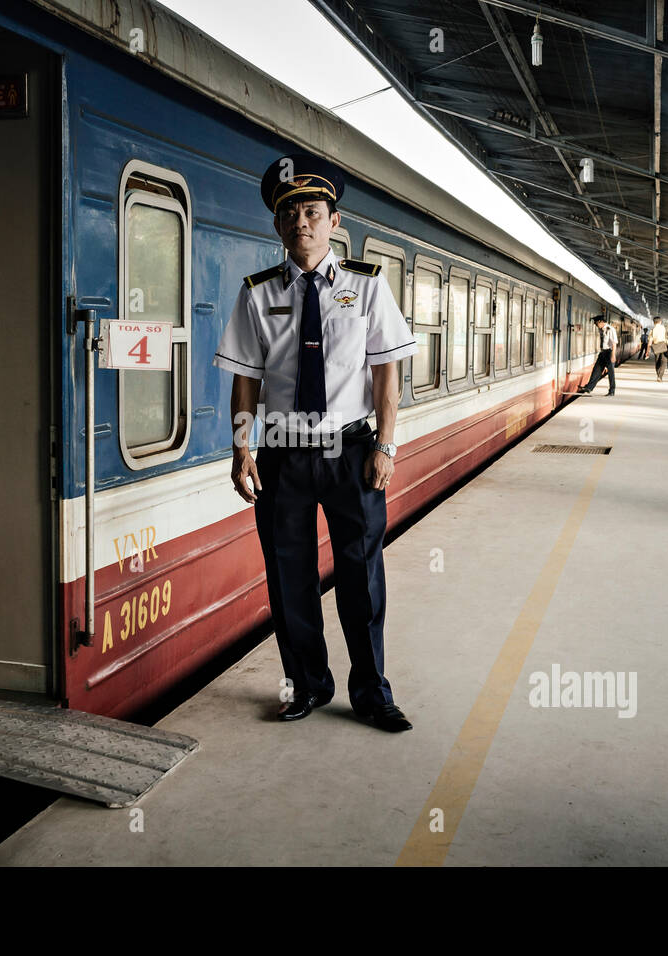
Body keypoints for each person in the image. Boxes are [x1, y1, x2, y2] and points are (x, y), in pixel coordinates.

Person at [213, 152, 418, 733]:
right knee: (288, 576)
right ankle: (306, 684)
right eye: (290, 214)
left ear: (333, 221)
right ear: (278, 227)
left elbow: (386, 376)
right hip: (281, 454)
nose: (301, 222)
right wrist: (241, 448)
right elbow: (245, 379)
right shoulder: (257, 294)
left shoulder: (368, 287)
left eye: (312, 210)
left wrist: (386, 447)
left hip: (352, 451)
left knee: (361, 575)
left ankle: (371, 691)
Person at [578, 314, 616, 395]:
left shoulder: (610, 329)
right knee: (596, 370)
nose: (595, 325)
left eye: (596, 323)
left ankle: (612, 391)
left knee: (611, 373)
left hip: (609, 352)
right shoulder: (601, 329)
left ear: (600, 321)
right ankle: (589, 388)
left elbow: (614, 343)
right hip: (603, 352)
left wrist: (613, 355)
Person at [648, 315, 668, 380]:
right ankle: (660, 376)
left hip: (656, 346)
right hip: (663, 345)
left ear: (654, 322)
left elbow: (650, 342)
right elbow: (667, 338)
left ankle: (658, 374)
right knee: (664, 361)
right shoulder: (664, 329)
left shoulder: (652, 330)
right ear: (660, 321)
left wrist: (647, 351)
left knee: (657, 361)